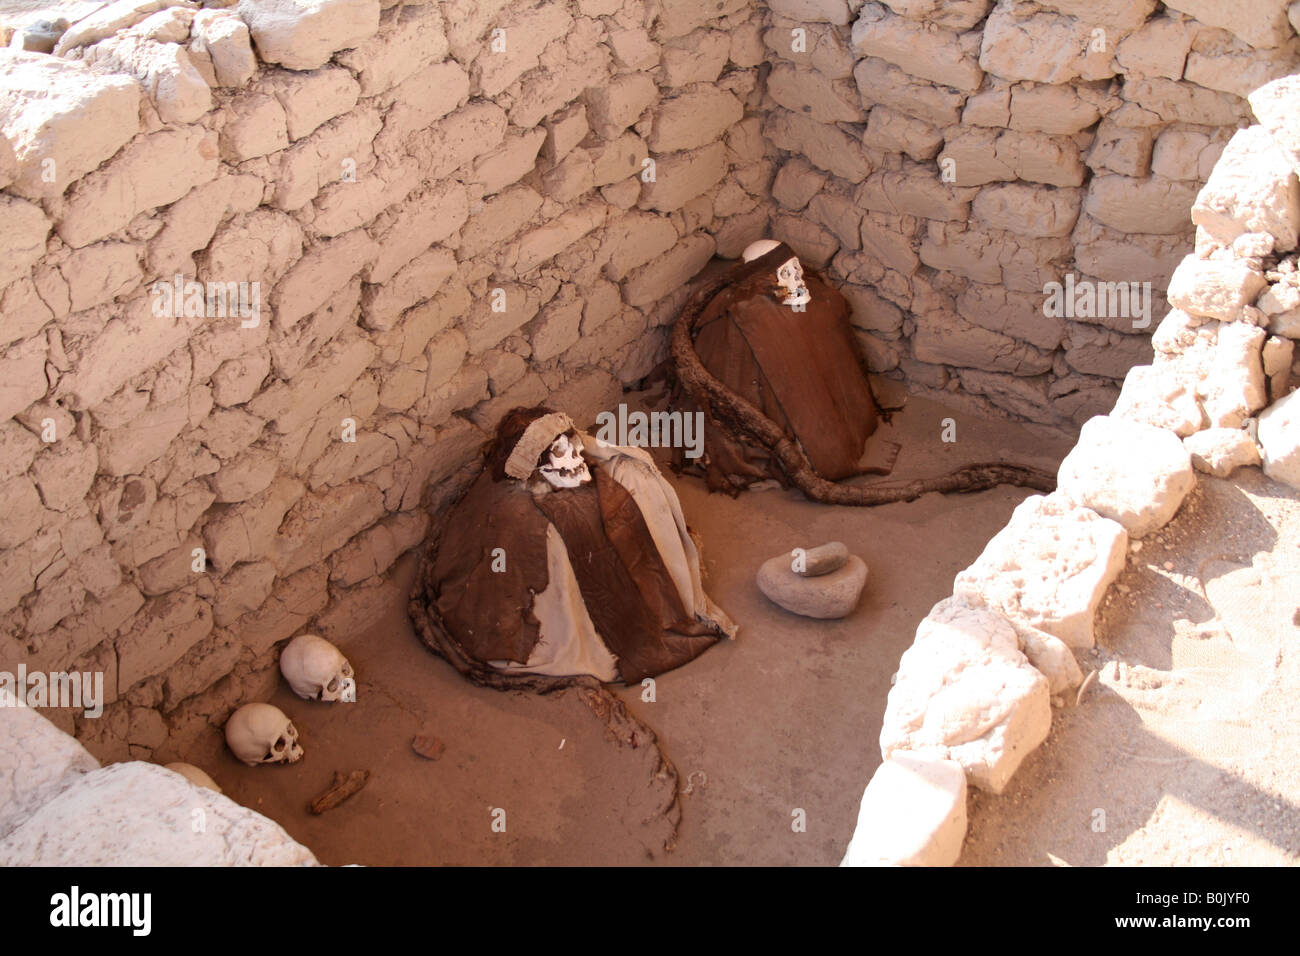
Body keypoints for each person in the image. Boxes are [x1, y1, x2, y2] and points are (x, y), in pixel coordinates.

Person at [418, 406, 736, 684]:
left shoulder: (582, 456)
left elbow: (593, 451)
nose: (575, 458)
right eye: (560, 454)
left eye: (573, 446)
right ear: (536, 469)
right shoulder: (511, 513)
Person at [676, 239, 888, 492]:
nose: (798, 281)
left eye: (797, 271)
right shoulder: (735, 322)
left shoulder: (816, 300)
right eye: (787, 275)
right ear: (762, 282)